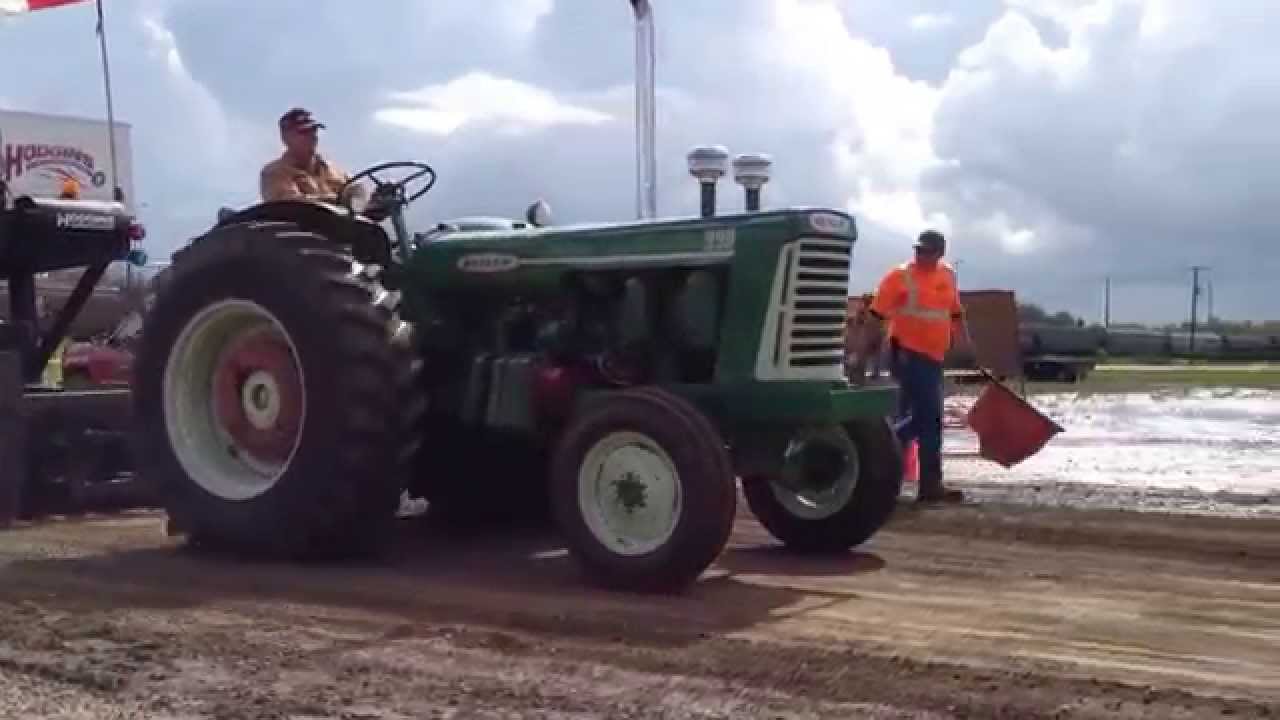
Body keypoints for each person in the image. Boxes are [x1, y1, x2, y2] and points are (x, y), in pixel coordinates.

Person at [863, 229, 967, 504]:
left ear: (940, 253)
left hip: (934, 356)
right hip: (908, 354)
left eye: (927, 251)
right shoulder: (899, 276)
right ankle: (928, 484)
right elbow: (875, 316)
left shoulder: (946, 276)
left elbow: (954, 313)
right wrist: (863, 354)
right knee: (929, 419)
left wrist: (965, 345)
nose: (921, 255)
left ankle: (883, 475)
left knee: (912, 417)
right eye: (918, 250)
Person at [259, 107, 366, 205]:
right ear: (286, 138)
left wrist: (374, 203)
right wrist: (337, 200)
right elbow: (290, 206)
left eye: (314, 130)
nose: (312, 136)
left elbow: (356, 197)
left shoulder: (334, 170)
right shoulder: (275, 172)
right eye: (304, 132)